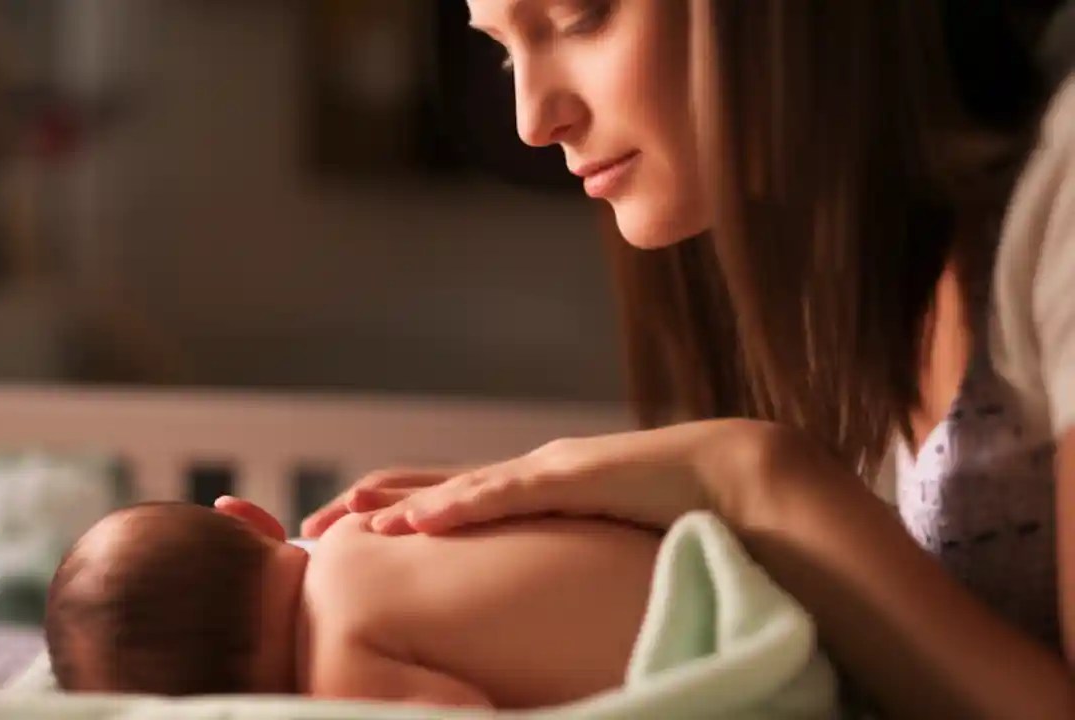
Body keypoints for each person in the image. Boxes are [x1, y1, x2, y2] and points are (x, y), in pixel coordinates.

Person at [302, 1, 1075, 718]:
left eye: (581, 18)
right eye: (505, 54)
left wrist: (747, 476)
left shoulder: (1061, 188)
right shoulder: (823, 255)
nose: (532, 121)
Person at [45, 498, 663, 708]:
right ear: (253, 518)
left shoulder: (343, 677)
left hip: (674, 648)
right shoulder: (360, 526)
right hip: (674, 542)